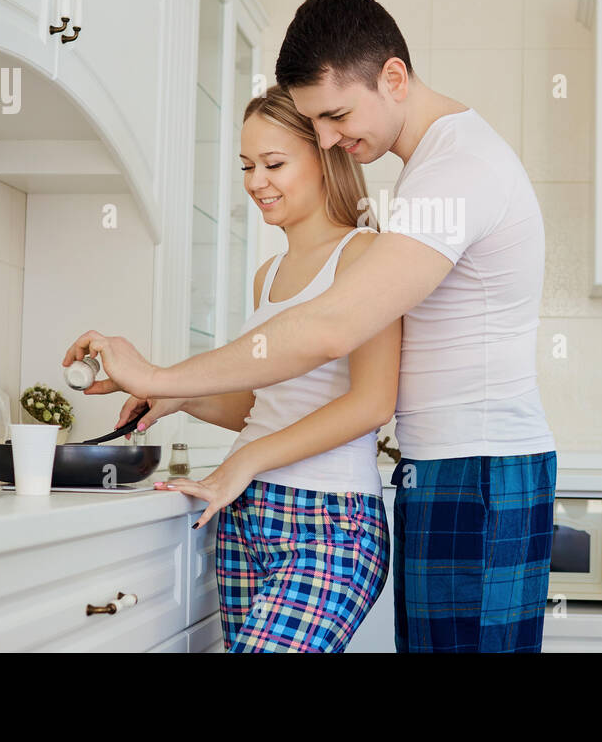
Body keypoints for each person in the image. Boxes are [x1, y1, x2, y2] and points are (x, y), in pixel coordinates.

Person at [64, 0, 556, 653]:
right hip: (443, 463)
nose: (329, 140)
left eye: (336, 115)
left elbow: (330, 328)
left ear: (394, 77)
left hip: (482, 467)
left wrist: (160, 373)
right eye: (315, 124)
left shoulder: (457, 172)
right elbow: (299, 370)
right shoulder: (427, 171)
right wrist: (172, 392)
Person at [113, 85, 400, 652]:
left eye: (273, 164)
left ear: (326, 159)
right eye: (247, 166)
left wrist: (245, 460)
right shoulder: (267, 274)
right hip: (246, 513)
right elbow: (259, 407)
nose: (255, 182)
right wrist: (179, 398)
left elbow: (372, 403)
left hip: (331, 522)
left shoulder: (365, 255)